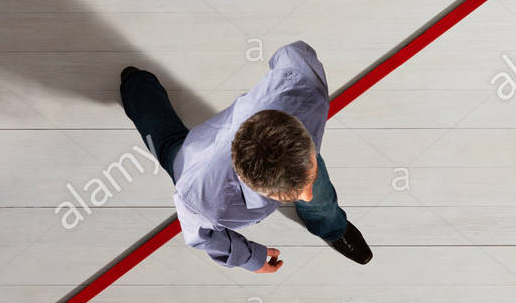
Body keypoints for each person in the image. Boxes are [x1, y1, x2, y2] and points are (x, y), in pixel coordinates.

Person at [119, 40, 372, 273]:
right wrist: (251, 258)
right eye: (293, 194)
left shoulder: (305, 87)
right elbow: (204, 236)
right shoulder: (200, 199)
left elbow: (294, 53)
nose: (307, 194)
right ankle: (135, 85)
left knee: (320, 194)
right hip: (194, 156)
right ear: (257, 186)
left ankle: (332, 228)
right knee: (166, 141)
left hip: (253, 130)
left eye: (310, 174)